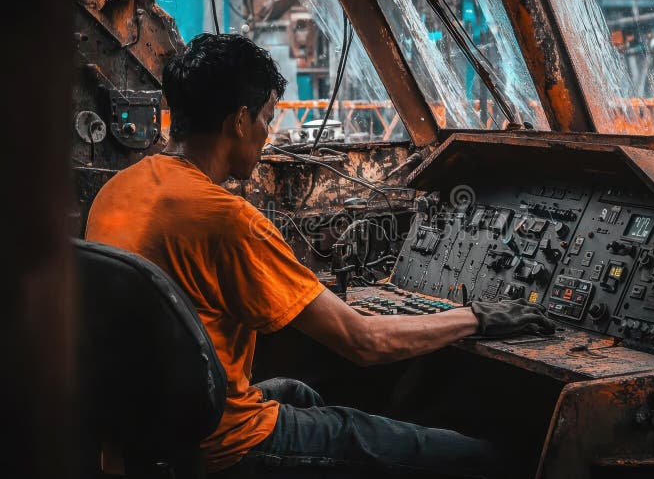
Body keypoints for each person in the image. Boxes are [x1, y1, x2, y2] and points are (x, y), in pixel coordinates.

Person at [85, 33, 555, 479]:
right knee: (480, 457)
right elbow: (364, 342)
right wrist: (476, 317)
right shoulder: (228, 219)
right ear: (240, 120)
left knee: (301, 394)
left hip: (145, 432)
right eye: (267, 118)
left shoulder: (119, 189)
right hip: (223, 445)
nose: (268, 133)